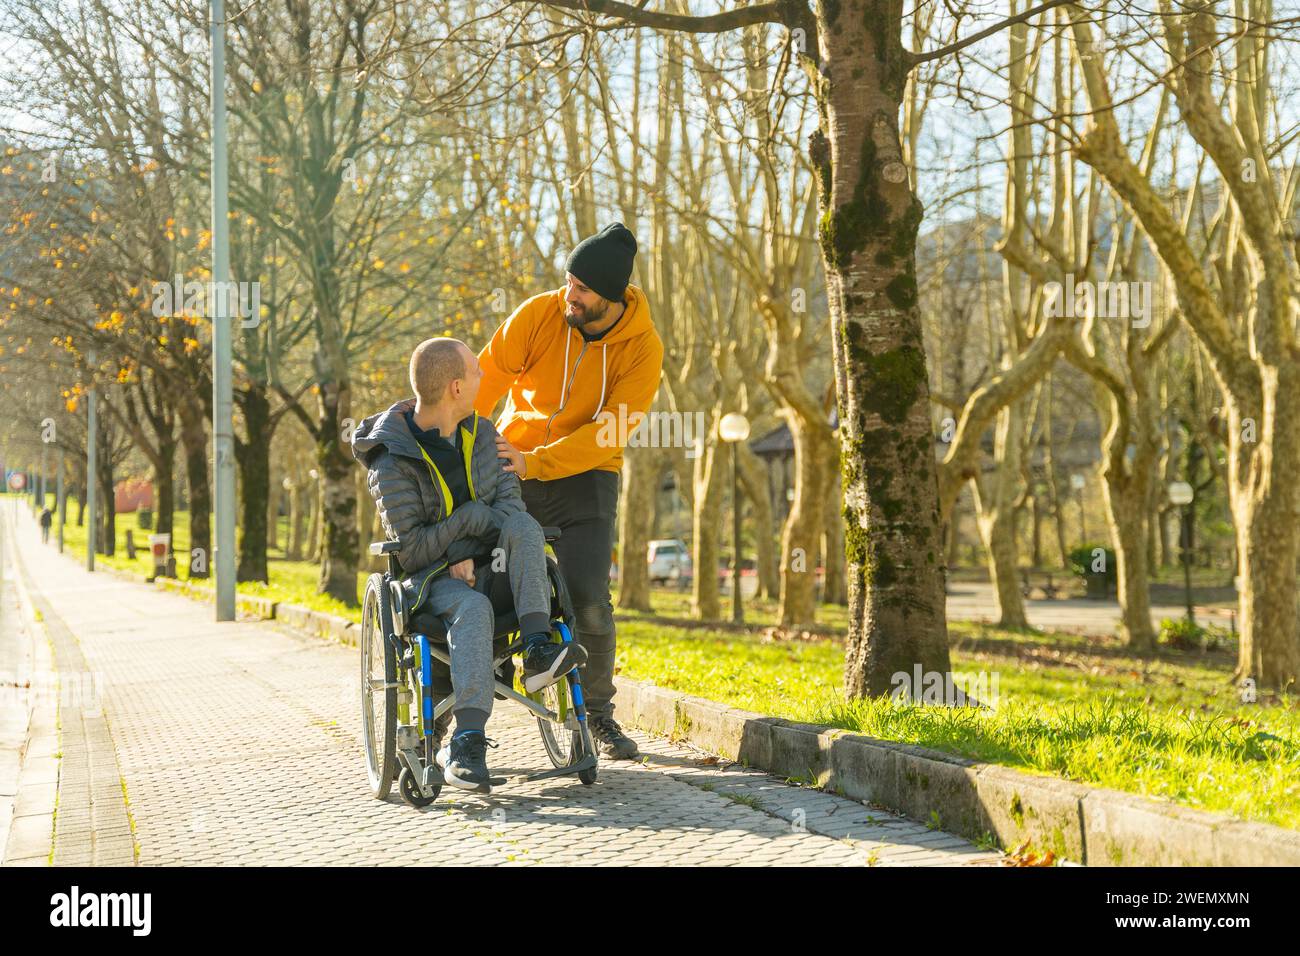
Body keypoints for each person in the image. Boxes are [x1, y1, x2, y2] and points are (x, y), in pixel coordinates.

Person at [352, 337, 587, 791]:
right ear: (457, 387)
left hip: (494, 566)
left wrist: (470, 541)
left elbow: (510, 506)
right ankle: (467, 740)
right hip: (434, 582)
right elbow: (412, 549)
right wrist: (468, 528)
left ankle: (538, 649)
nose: (484, 378)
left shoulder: (484, 435)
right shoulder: (389, 458)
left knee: (524, 528)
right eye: (477, 372)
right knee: (473, 609)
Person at [474, 222, 664, 759]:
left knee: (590, 601)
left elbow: (609, 430)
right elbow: (486, 379)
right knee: (491, 584)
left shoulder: (643, 349)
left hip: (588, 476)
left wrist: (542, 462)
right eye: (568, 281)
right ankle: (479, 700)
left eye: (581, 288)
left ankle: (600, 716)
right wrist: (463, 448)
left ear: (611, 295)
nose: (569, 295)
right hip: (514, 465)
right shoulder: (539, 314)